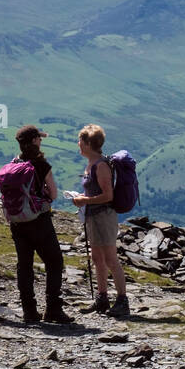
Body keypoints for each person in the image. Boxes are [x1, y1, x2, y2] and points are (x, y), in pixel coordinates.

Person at [8, 125, 72, 325]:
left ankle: (29, 311)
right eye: (39, 139)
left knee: (24, 265)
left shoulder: (14, 163)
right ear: (34, 141)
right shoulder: (41, 164)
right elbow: (53, 194)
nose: (41, 141)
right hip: (39, 220)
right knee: (54, 262)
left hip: (17, 221)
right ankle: (53, 309)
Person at [70, 124, 128, 318]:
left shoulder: (101, 165)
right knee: (97, 258)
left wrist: (84, 200)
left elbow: (108, 196)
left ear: (87, 143)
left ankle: (122, 301)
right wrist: (83, 197)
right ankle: (102, 298)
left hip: (103, 216)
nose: (78, 144)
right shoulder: (92, 164)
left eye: (80, 141)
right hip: (93, 216)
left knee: (111, 258)